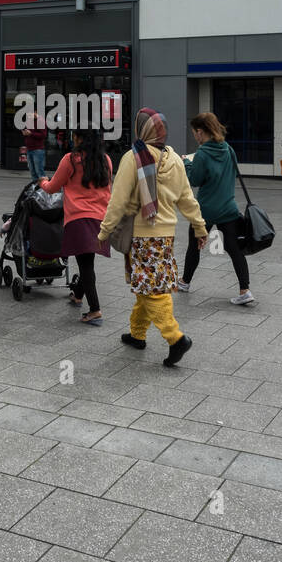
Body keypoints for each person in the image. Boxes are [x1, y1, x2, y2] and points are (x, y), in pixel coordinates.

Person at [98, 107, 207, 368]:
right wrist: (199, 227)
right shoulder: (175, 159)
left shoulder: (132, 158)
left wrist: (103, 231)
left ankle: (175, 338)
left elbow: (118, 201)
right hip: (166, 236)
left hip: (143, 235)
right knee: (148, 284)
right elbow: (187, 199)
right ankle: (137, 334)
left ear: (141, 130)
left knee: (151, 290)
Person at [177, 112, 254, 305]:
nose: (195, 136)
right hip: (228, 208)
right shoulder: (228, 149)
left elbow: (195, 180)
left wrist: (186, 162)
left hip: (205, 211)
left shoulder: (202, 153)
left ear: (201, 132)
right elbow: (233, 172)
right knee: (234, 249)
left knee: (194, 246)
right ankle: (245, 290)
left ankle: (185, 282)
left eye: (195, 132)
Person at [40, 128, 112, 327]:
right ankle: (77, 295)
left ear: (80, 138)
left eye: (74, 136)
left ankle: (95, 310)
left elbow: (53, 187)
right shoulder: (105, 160)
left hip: (79, 216)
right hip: (101, 218)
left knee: (86, 264)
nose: (73, 140)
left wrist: (42, 182)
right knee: (87, 258)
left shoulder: (70, 159)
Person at [23, 112, 47, 181]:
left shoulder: (41, 121)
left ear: (36, 112)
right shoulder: (30, 120)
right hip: (29, 149)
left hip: (38, 149)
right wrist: (25, 133)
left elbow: (43, 135)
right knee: (32, 172)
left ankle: (44, 189)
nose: (29, 115)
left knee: (39, 172)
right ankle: (36, 189)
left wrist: (31, 133)